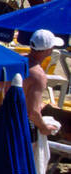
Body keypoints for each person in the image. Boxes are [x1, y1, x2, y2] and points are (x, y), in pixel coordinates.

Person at [25, 30, 64, 165]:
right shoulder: (37, 75)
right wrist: (44, 127)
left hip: (5, 118)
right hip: (23, 125)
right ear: (48, 50)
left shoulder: (17, 61)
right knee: (23, 168)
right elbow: (32, 112)